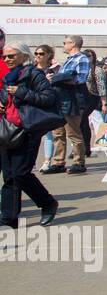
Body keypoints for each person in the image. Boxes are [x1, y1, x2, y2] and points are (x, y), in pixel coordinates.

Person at [1, 41, 62, 228]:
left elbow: (48, 98)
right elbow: (6, 97)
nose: (8, 59)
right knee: (9, 175)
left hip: (27, 129)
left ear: (23, 55)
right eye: (5, 56)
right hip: (8, 130)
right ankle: (9, 217)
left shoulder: (34, 74)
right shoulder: (7, 77)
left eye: (12, 56)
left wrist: (22, 92)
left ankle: (48, 203)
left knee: (21, 173)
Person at [47, 34, 91, 175]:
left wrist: (58, 78)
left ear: (73, 44)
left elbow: (80, 79)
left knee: (73, 132)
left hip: (73, 100)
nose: (63, 45)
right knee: (58, 133)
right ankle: (58, 162)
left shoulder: (81, 58)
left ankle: (79, 162)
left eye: (65, 42)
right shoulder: (68, 60)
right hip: (61, 99)